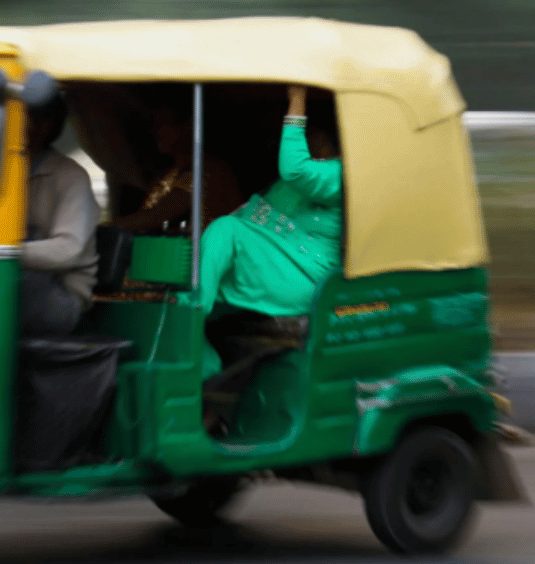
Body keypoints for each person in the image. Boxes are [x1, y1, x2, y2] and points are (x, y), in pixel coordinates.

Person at [193, 84, 344, 378]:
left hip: (302, 278)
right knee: (209, 264)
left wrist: (297, 100)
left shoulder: (338, 174)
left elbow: (295, 170)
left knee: (226, 230)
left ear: (321, 132)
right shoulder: (297, 182)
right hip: (274, 269)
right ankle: (203, 357)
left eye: (306, 130)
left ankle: (189, 334)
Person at [20, 94, 100, 337]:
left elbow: (68, 251)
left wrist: (2, 253)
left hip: (60, 296)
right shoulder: (1, 171)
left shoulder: (70, 177)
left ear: (42, 127)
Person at [108, 106, 243, 233]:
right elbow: (147, 214)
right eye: (155, 125)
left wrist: (106, 226)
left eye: (163, 123)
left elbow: (157, 215)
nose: (155, 131)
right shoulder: (168, 176)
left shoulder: (208, 169)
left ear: (188, 126)